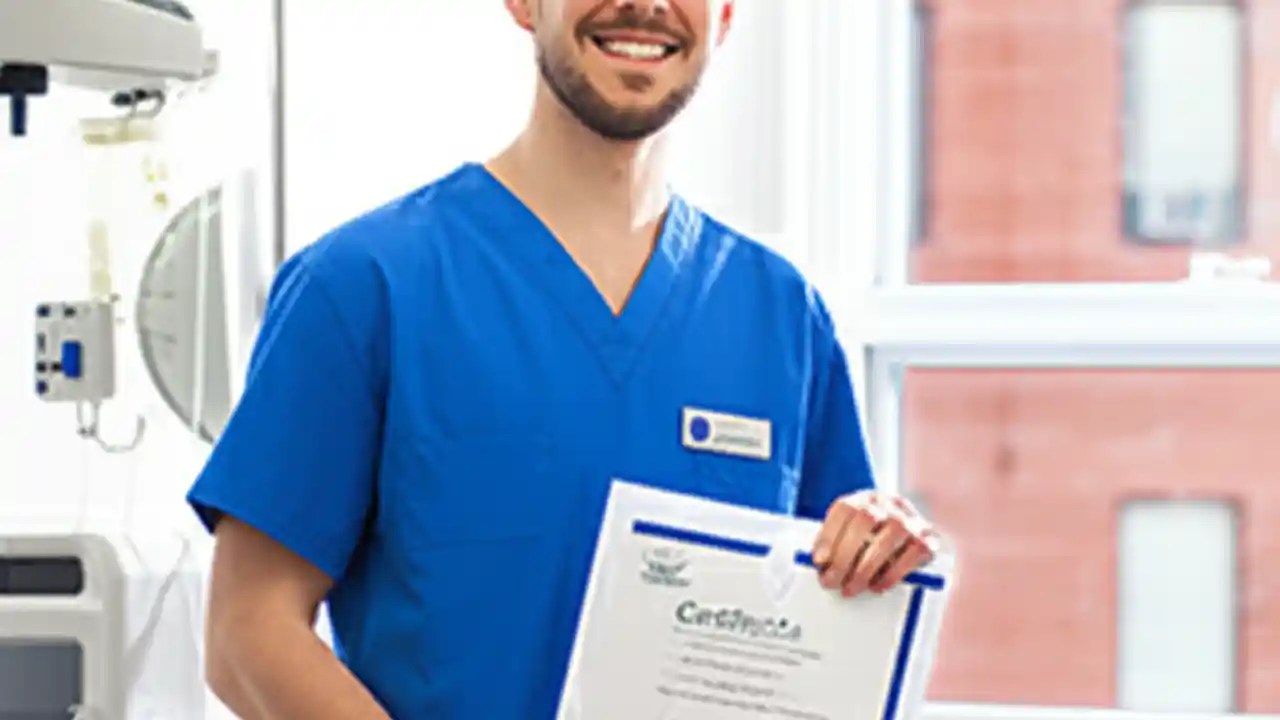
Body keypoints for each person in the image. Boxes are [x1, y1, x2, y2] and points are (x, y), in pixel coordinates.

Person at [188, 0, 942, 717]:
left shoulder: (780, 315)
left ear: (727, 14)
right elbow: (247, 632)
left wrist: (875, 542)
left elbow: (824, 634)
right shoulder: (364, 287)